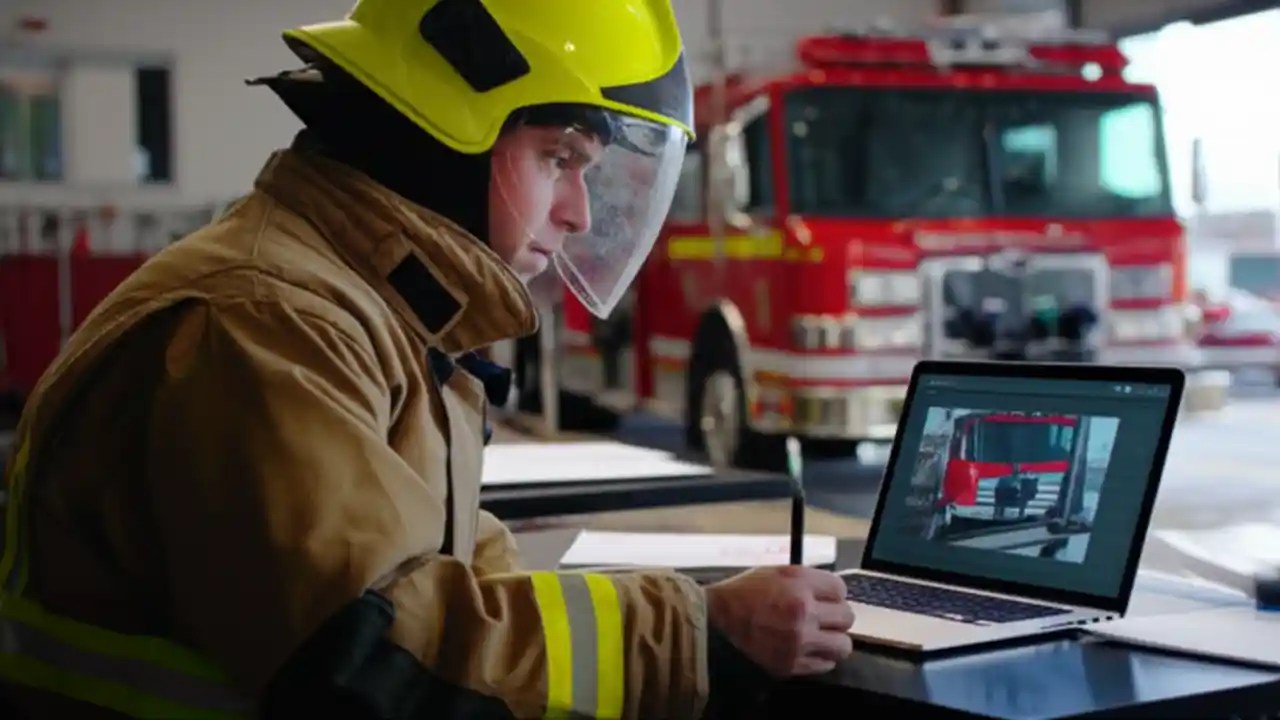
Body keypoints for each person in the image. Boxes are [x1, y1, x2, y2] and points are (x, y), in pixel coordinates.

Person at [0, 1, 856, 717]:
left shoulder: (379, 312)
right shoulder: (266, 322)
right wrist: (695, 634)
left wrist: (697, 612)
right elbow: (377, 657)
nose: (580, 213)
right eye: (558, 158)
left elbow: (449, 585)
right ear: (450, 129)